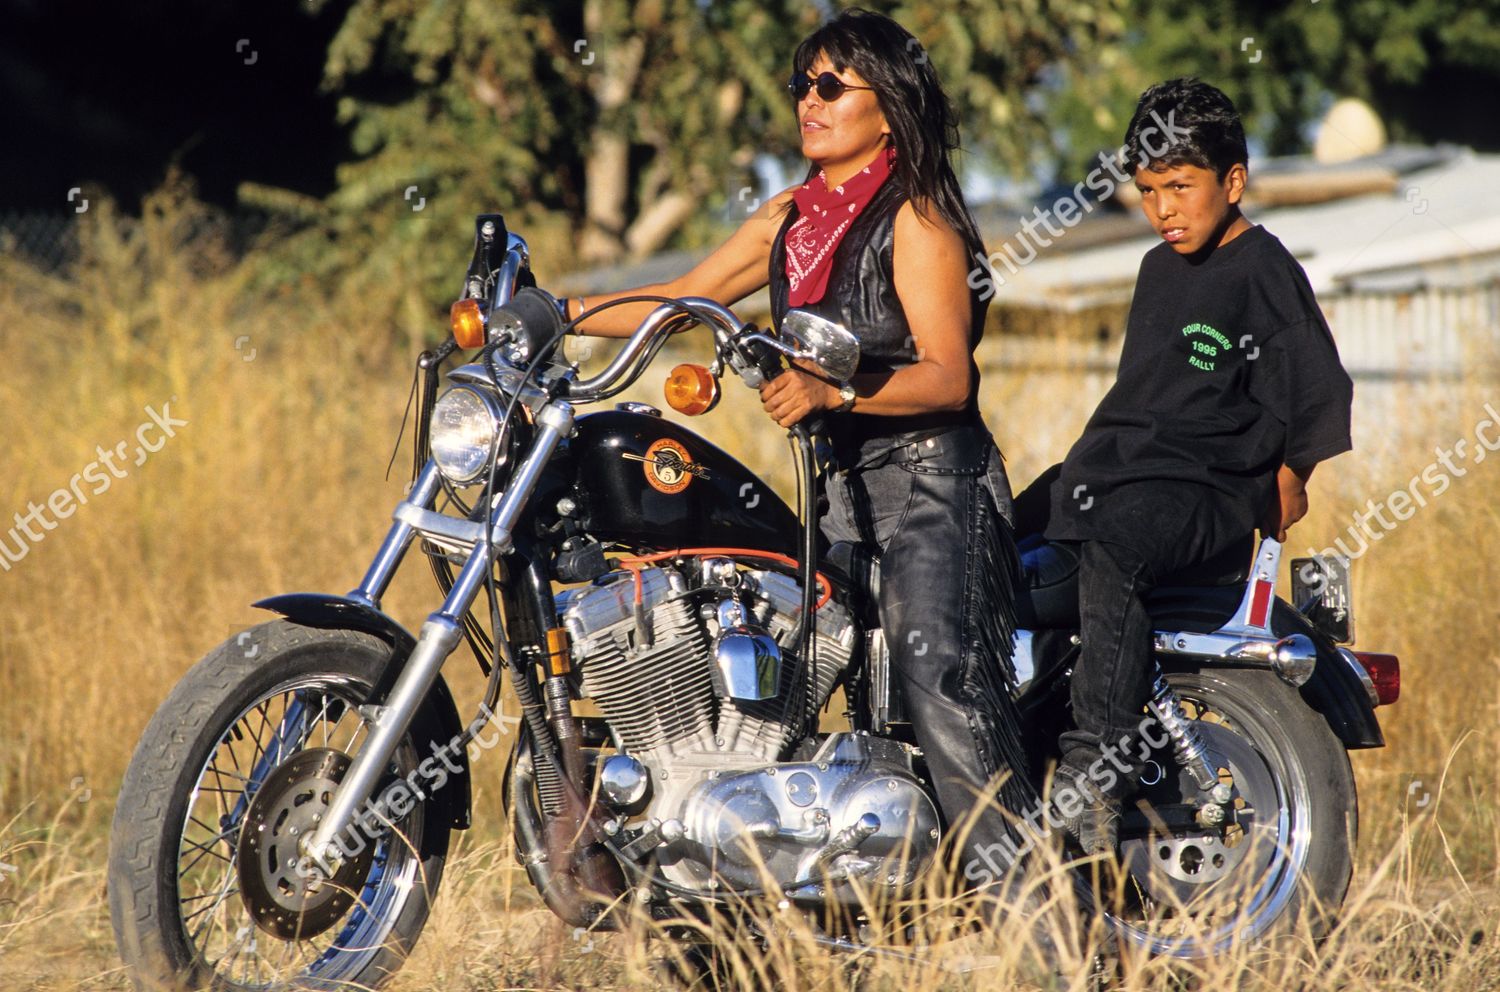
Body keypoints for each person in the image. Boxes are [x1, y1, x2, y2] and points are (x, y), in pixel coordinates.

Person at [571, 8, 1040, 891]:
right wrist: (557, 315)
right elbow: (679, 297)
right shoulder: (792, 216)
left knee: (939, 686)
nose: (808, 101)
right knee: (804, 678)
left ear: (888, 106)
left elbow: (948, 378)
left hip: (933, 487)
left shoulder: (919, 219)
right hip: (836, 493)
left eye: (832, 85)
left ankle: (1048, 932)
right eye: (802, 84)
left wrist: (836, 391)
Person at [1038, 78, 1355, 855]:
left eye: (1180, 187)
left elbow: (1317, 386)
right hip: (1120, 474)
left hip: (1207, 490)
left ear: (1233, 181)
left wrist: (1291, 480)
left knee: (1114, 548)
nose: (1163, 209)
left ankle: (1093, 772)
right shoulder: (1155, 269)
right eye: (1147, 191)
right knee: (981, 532)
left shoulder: (1263, 268)